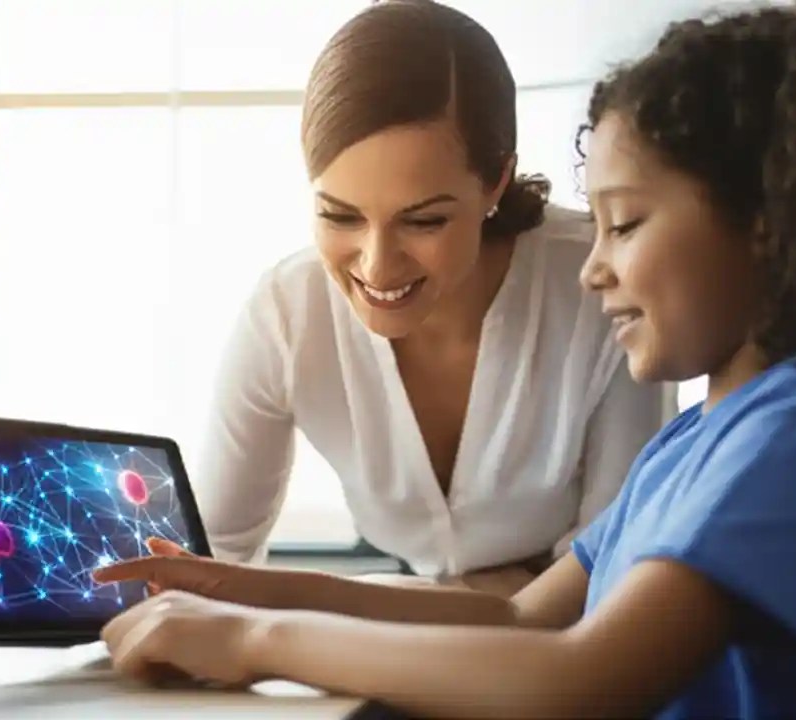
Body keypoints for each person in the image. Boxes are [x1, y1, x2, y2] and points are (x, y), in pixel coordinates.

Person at [95, 5, 796, 718]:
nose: (594, 266)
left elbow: (584, 678)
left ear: (771, 228)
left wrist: (254, 641)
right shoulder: (704, 441)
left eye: (624, 225)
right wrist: (238, 590)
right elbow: (514, 616)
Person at [188, 0, 666, 597]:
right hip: (445, 629)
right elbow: (208, 562)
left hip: (567, 658)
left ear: (495, 180)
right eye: (340, 216)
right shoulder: (288, 311)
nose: (376, 265)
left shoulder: (601, 282)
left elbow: (610, 575)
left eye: (424, 222)